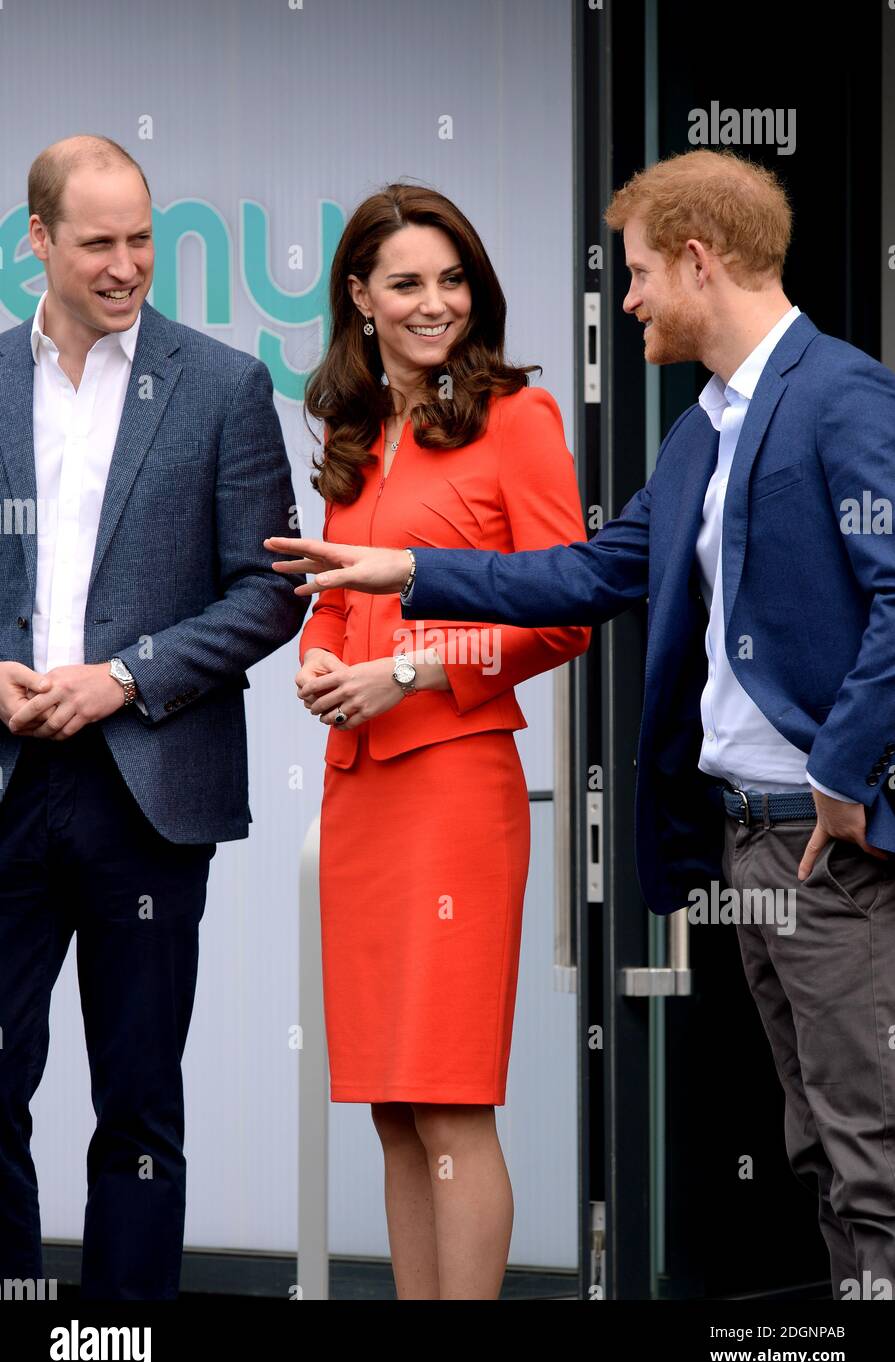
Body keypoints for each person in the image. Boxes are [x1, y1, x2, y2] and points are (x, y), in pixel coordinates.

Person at [267, 150, 895, 1299]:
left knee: (867, 1152)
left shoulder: (839, 394)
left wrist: (847, 769)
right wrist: (402, 572)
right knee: (820, 1142)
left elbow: (894, 590)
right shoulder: (701, 428)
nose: (630, 298)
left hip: (814, 829)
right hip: (743, 831)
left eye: (642, 273)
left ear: (699, 263)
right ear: (357, 296)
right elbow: (590, 571)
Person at [265, 182, 589, 1300]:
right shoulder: (360, 433)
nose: (434, 303)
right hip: (360, 801)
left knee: (450, 1097)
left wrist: (405, 669)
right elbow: (335, 596)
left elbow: (562, 611)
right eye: (405, 282)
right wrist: (319, 653)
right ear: (359, 298)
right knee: (394, 1104)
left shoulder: (517, 420)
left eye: (452, 280)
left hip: (454, 791)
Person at [0, 135, 305, 1299]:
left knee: (135, 1102)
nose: (128, 265)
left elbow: (270, 588)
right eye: (99, 243)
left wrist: (122, 676)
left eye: (143, 239)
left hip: (145, 787)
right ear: (39, 241)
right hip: (10, 782)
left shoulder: (223, 385)